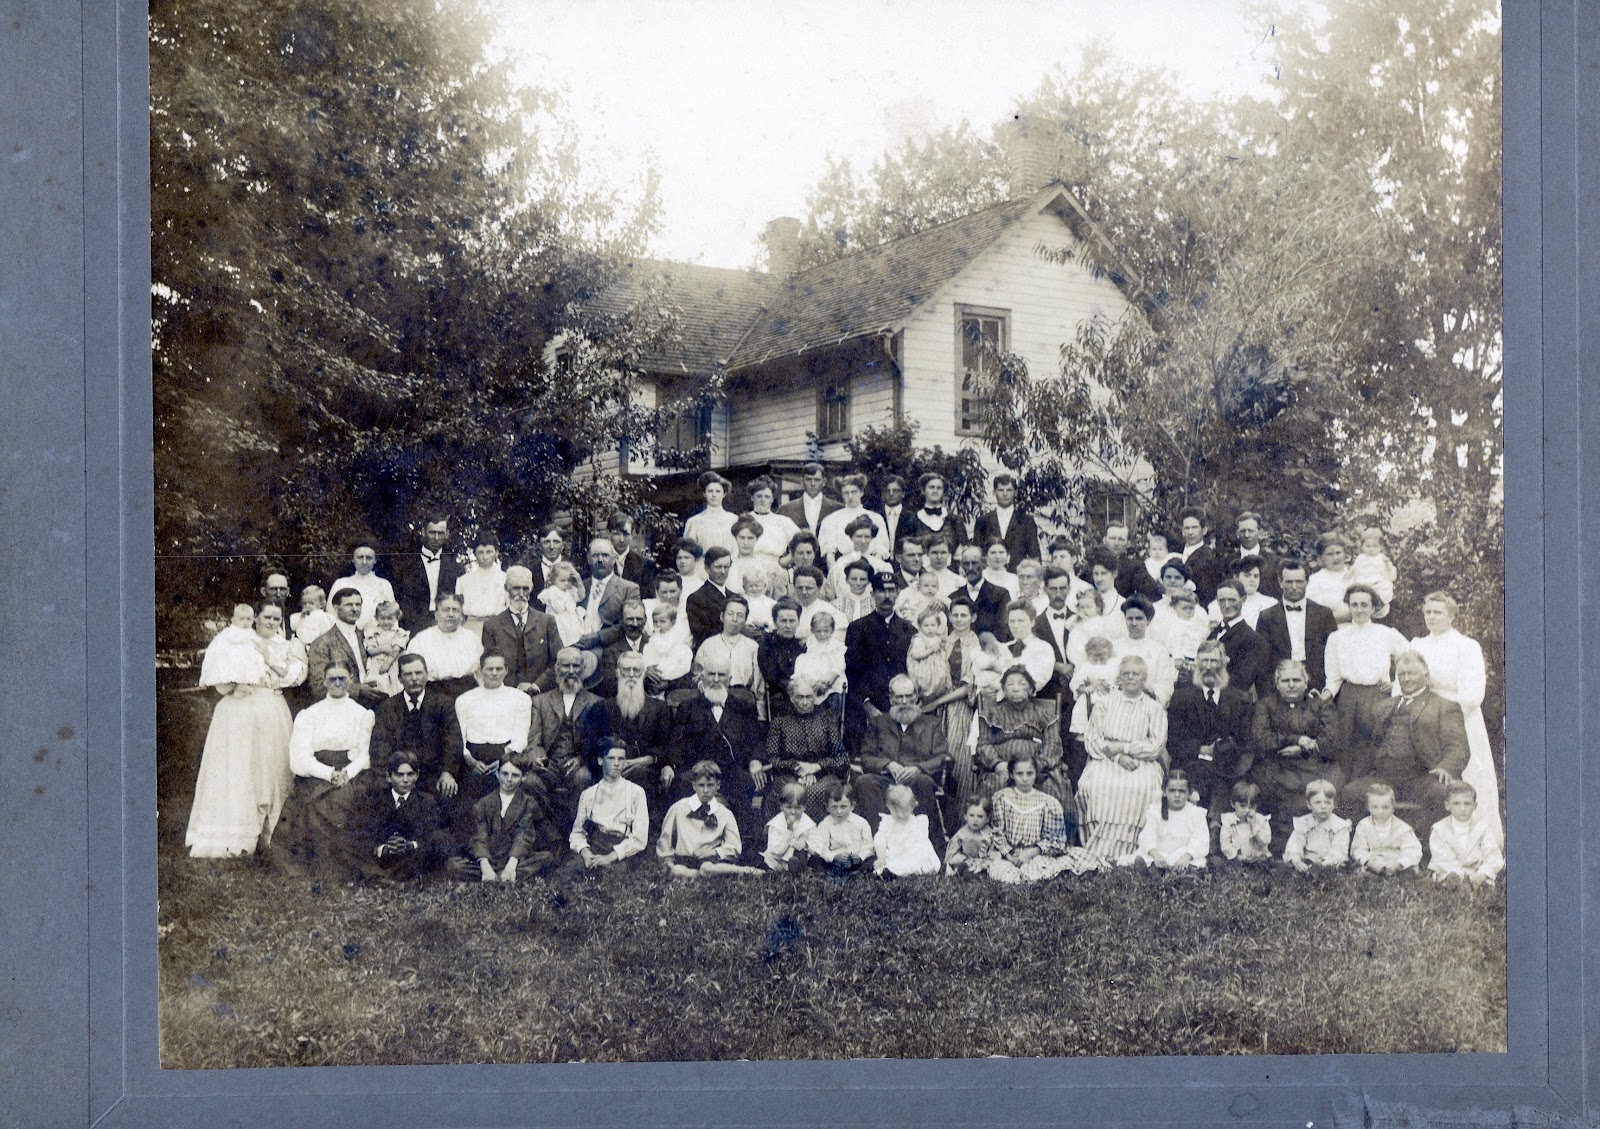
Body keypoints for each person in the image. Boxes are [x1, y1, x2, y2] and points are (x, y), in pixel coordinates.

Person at [185, 603, 300, 858]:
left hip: (273, 708)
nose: (271, 622)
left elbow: (294, 676)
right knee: (239, 767)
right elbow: (218, 671)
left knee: (272, 768)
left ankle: (271, 834)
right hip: (240, 709)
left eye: (276, 618)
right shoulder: (235, 640)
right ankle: (236, 834)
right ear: (255, 618)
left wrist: (271, 660)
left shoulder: (286, 645)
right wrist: (233, 685)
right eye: (266, 617)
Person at [1409, 592, 1501, 843]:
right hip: (1423, 718)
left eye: (1438, 612)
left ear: (1451, 616)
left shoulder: (1466, 646)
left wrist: (1444, 716)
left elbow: (1472, 694)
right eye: (1428, 612)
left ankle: (1477, 838)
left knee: (1467, 773)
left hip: (1460, 718)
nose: (1432, 617)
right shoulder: (1417, 645)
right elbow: (1404, 681)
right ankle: (1431, 839)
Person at [1339, 650, 1469, 827]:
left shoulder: (1444, 706)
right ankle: (1363, 849)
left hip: (1422, 778)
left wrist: (1446, 767)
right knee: (1349, 793)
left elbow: (1458, 747)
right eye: (1401, 674)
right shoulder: (1384, 706)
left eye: (1412, 673)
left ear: (1426, 674)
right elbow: (1368, 745)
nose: (1406, 679)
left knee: (1442, 794)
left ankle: (1430, 851)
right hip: (1384, 777)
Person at [272, 660, 374, 878]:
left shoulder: (362, 713)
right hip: (317, 774)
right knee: (315, 805)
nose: (337, 683)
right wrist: (329, 774)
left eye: (342, 678)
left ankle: (344, 867)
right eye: (332, 679)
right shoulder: (309, 714)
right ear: (324, 682)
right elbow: (300, 757)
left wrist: (345, 774)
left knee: (345, 802)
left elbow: (365, 754)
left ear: (351, 680)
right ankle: (321, 865)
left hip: (350, 773)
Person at [1076, 655, 1167, 866]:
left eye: (1136, 674)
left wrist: (1126, 748)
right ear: (1120, 677)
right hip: (1107, 758)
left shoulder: (1154, 708)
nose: (1130, 678)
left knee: (1143, 787)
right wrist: (1117, 756)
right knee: (1096, 784)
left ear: (1144, 678)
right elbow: (1092, 739)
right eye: (1126, 674)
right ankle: (1098, 850)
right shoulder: (1105, 703)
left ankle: (1135, 849)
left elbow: (1156, 745)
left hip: (1142, 762)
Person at [672, 651, 764, 840]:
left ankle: (739, 845)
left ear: (729, 679)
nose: (715, 679)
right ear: (702, 676)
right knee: (681, 783)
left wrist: (755, 760)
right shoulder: (688, 707)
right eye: (711, 674)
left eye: (721, 675)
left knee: (745, 782)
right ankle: (689, 843)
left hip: (731, 771)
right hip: (696, 772)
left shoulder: (743, 707)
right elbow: (676, 744)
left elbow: (757, 740)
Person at [1324, 583, 1409, 779]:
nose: (1359, 609)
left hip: (1377, 696)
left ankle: (1370, 794)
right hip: (1348, 697)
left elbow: (1412, 660)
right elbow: (1334, 678)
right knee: (1345, 746)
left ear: (1373, 607)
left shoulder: (1386, 633)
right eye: (1354, 605)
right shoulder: (1337, 637)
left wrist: (1396, 684)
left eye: (1364, 604)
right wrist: (1324, 697)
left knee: (1373, 745)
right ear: (1348, 606)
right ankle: (1346, 795)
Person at [856, 675, 949, 845]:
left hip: (917, 778)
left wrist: (919, 768)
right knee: (865, 782)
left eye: (908, 696)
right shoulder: (878, 723)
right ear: (891, 698)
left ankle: (923, 844)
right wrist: (887, 764)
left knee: (924, 781)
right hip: (886, 778)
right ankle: (879, 843)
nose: (904, 701)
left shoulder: (931, 723)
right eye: (899, 697)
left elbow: (942, 756)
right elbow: (866, 756)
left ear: (915, 697)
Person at [974, 666, 1073, 825]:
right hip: (1003, 768)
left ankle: (1052, 838)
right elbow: (984, 744)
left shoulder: (1045, 715)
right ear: (1004, 690)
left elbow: (1052, 745)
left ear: (1032, 690)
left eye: (1022, 684)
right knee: (995, 785)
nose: (1016, 689)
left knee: (1054, 786)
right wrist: (998, 765)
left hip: (1038, 768)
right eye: (1010, 684)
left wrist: (1034, 767)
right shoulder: (991, 714)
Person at [1250, 660, 1345, 824]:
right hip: (1279, 764)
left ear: (1306, 682)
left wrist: (1303, 750)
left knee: (1324, 788)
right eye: (1285, 681)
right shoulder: (1265, 705)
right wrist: (1297, 740)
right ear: (1277, 684)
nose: (1291, 685)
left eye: (1297, 680)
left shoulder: (1321, 704)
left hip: (1315, 764)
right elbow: (1261, 738)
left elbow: (1332, 741)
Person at [1165, 639, 1254, 813]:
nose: (1208, 666)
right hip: (1191, 764)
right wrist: (1202, 749)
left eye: (1214, 661)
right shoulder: (1182, 697)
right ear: (1197, 664)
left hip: (1229, 767)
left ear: (1223, 663)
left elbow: (1245, 741)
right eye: (1204, 661)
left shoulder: (1239, 699)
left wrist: (1223, 750)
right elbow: (1174, 742)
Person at [523, 648, 608, 821]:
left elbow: (598, 741)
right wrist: (538, 758)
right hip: (549, 763)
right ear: (557, 669)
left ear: (583, 669)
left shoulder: (595, 702)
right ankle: (552, 826)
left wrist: (582, 758)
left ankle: (576, 829)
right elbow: (534, 739)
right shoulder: (540, 701)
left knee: (584, 777)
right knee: (529, 781)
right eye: (566, 666)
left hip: (578, 763)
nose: (570, 671)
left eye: (575, 666)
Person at [369, 653, 463, 804]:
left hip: (434, 777)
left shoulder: (443, 704)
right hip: (400, 778)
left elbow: (453, 741)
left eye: (418, 673)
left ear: (427, 675)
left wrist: (447, 772)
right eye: (408, 674)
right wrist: (393, 779)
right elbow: (380, 747)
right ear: (400, 678)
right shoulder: (387, 708)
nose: (414, 678)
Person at [447, 761, 555, 883]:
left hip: (514, 859)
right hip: (489, 858)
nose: (508, 779)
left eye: (515, 775)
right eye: (504, 774)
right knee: (454, 865)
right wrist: (485, 866)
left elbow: (523, 836)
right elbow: (479, 837)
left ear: (523, 777)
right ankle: (496, 876)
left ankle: (503, 876)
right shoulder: (484, 803)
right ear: (497, 774)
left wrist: (510, 867)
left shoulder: (528, 803)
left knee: (546, 858)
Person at [352, 753, 452, 884]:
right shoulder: (376, 800)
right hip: (383, 857)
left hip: (411, 857)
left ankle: (384, 878)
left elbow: (432, 835)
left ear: (417, 775)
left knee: (435, 844)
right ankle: (385, 877)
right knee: (353, 846)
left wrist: (410, 845)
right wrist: (384, 848)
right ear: (388, 777)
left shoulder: (426, 801)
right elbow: (365, 834)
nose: (405, 780)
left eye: (410, 774)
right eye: (399, 775)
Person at [759, 678, 849, 822]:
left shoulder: (827, 720)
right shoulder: (780, 722)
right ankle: (790, 836)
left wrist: (816, 767)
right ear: (792, 698)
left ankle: (817, 837)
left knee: (816, 791)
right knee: (795, 791)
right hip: (789, 775)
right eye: (800, 697)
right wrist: (800, 768)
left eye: (809, 697)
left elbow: (842, 758)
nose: (805, 702)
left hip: (824, 775)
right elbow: (773, 758)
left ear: (815, 696)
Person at [452, 652, 533, 807]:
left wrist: (503, 760)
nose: (494, 673)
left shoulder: (520, 698)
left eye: (499, 669)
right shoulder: (464, 699)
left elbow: (521, 738)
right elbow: (459, 737)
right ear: (481, 671)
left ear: (506, 670)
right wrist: (470, 760)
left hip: (506, 755)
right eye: (489, 669)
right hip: (473, 757)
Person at [657, 760, 762, 875]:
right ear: (693, 785)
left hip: (710, 860)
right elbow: (665, 840)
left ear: (718, 785)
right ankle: (697, 875)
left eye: (710, 785)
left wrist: (714, 852)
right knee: (677, 870)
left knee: (707, 868)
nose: (705, 791)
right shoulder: (679, 808)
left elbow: (734, 847)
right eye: (701, 785)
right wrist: (667, 860)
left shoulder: (724, 813)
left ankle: (745, 870)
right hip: (683, 860)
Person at [985, 752, 1076, 883]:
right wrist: (1008, 854)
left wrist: (1031, 853)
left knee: (1040, 869)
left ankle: (1030, 875)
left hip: (1035, 854)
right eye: (1019, 774)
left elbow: (1055, 839)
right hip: (1010, 854)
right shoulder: (1001, 798)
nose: (1025, 779)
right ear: (1011, 774)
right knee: (1001, 870)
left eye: (1029, 773)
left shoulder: (1048, 802)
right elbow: (997, 832)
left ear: (1035, 774)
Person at [1255, 561, 1338, 695]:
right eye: (1288, 582)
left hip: (1316, 687)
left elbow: (1333, 656)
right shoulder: (1267, 617)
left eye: (1299, 581)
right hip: (1279, 688)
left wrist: (1326, 690)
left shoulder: (1323, 614)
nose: (1294, 587)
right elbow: (1262, 662)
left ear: (1307, 582)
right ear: (1280, 582)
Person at [603, 652, 674, 803]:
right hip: (611, 770)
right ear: (618, 673)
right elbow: (596, 743)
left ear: (643, 674)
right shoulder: (605, 707)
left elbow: (666, 746)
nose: (631, 675)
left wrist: (644, 760)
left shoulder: (659, 708)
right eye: (626, 670)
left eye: (636, 670)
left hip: (646, 771)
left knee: (640, 776)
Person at [481, 566, 563, 695]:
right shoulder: (492, 626)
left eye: (525, 589)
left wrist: (536, 685)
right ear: (506, 588)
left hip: (541, 694)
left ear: (531, 590)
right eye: (516, 588)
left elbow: (559, 661)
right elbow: (490, 665)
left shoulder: (547, 621)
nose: (521, 594)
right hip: (505, 695)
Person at [568, 746, 651, 871]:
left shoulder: (636, 792)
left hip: (623, 849)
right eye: (611, 758)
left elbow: (639, 838)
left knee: (616, 873)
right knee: (574, 870)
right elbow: (577, 833)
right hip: (595, 844)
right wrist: (586, 853)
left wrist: (609, 857)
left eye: (621, 759)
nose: (616, 764)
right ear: (601, 760)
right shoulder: (588, 794)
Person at [844, 569, 913, 714]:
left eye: (891, 591)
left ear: (898, 593)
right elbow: (852, 672)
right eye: (881, 591)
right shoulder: (858, 628)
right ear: (872, 594)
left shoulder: (908, 629)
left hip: (901, 705)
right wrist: (866, 704)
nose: (887, 596)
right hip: (868, 706)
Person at [306, 587, 388, 705]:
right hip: (341, 707)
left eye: (358, 604)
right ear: (335, 608)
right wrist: (358, 690)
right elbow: (319, 685)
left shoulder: (369, 636)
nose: (355, 609)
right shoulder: (322, 643)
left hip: (376, 703)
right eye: (349, 605)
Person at [389, 515, 465, 632]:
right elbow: (399, 598)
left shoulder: (456, 568)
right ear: (423, 532)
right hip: (413, 625)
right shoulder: (405, 566)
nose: (436, 538)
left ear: (447, 534)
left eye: (440, 533)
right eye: (432, 533)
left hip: (445, 624)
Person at [403, 592, 483, 700]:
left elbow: (481, 672)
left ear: (461, 615)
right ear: (436, 614)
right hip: (435, 694)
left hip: (468, 692)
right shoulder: (421, 640)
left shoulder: (472, 638)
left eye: (455, 610)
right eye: (446, 610)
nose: (451, 614)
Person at [1124, 769, 1209, 870]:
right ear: (1164, 791)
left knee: (1195, 864)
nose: (1177, 795)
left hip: (1183, 854)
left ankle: (1184, 875)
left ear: (1189, 793)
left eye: (1182, 791)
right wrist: (1156, 855)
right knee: (1147, 859)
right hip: (1159, 853)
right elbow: (1147, 835)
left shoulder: (1196, 813)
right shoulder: (1156, 811)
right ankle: (1151, 872)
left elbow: (1201, 839)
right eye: (1172, 790)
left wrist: (1186, 857)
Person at [1427, 781, 1504, 887]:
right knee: (1445, 874)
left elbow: (1492, 855)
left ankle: (1479, 882)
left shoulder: (1482, 828)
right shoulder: (1440, 829)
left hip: (1477, 870)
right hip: (1449, 869)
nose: (1462, 809)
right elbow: (1442, 857)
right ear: (1447, 805)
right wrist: (1457, 874)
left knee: (1486, 878)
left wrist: (1482, 873)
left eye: (1467, 803)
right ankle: (1454, 882)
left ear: (1475, 806)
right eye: (1456, 804)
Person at [1207, 581, 1273, 700]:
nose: (1227, 605)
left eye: (1232, 600)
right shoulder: (1213, 633)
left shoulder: (1253, 640)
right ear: (1217, 601)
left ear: (1243, 600)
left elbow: (1242, 681)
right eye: (1222, 600)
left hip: (1232, 703)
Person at [1114, 595, 1179, 706]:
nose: (1134, 623)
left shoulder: (1159, 650)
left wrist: (1147, 690)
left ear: (1148, 621)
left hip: (1147, 706)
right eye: (1130, 618)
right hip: (1117, 704)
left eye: (1139, 618)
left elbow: (1165, 685)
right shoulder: (1115, 647)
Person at [695, 595, 764, 698]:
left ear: (745, 620)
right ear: (722, 617)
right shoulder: (708, 644)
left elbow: (758, 684)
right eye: (730, 614)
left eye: (740, 615)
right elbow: (698, 675)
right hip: (712, 695)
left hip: (742, 698)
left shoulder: (753, 647)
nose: (734, 619)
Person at [805, 781, 876, 877]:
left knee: (873, 859)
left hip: (856, 862)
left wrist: (860, 856)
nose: (839, 811)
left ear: (852, 806)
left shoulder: (861, 823)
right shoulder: (825, 824)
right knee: (815, 859)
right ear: (827, 808)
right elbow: (822, 848)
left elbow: (868, 846)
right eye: (834, 807)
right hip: (835, 863)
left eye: (843, 807)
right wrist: (833, 857)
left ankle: (859, 873)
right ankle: (824, 875)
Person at [1350, 782, 1423, 875]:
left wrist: (1399, 864)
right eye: (1375, 807)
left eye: (1385, 807)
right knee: (1363, 871)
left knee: (1410, 870)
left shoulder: (1402, 828)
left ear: (1393, 807)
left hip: (1396, 862)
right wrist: (1369, 862)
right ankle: (1371, 875)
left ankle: (1399, 874)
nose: (1380, 812)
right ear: (1368, 807)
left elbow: (1412, 849)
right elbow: (1358, 849)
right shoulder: (1364, 825)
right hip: (1374, 862)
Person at [872, 783, 941, 877]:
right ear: (888, 806)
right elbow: (880, 839)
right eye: (896, 811)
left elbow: (922, 844)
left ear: (913, 806)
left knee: (921, 857)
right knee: (890, 862)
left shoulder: (917, 822)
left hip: (912, 853)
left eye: (905, 811)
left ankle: (895, 871)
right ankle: (890, 871)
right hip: (894, 854)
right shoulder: (887, 822)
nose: (900, 815)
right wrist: (881, 856)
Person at [817, 473, 889, 562]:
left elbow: (880, 549)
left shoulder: (876, 518)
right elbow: (829, 553)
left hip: (870, 563)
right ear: (841, 495)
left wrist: (875, 568)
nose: (850, 496)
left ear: (861, 493)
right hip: (844, 565)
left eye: (854, 492)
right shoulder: (831, 519)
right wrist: (835, 573)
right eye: (846, 493)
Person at [1283, 779, 1352, 871]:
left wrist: (1324, 864)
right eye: (1317, 802)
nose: (1323, 807)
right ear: (1309, 805)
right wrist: (1296, 861)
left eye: (1328, 802)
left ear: (1334, 804)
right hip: (1308, 861)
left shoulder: (1339, 826)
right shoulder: (1304, 823)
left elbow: (1339, 851)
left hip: (1332, 864)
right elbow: (1295, 845)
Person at [973, 472, 1042, 564]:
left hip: (1018, 575)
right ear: (994, 492)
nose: (1005, 494)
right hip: (991, 574)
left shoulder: (1026, 521)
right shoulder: (983, 521)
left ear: (1015, 492)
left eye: (1009, 490)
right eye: (1001, 490)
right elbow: (977, 554)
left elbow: (1034, 555)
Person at [452, 533, 508, 642]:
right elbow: (458, 611)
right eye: (481, 552)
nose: (485, 557)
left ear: (496, 552)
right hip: (470, 629)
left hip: (497, 628)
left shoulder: (505, 579)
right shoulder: (463, 580)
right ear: (475, 554)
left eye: (489, 552)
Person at [330, 543, 395, 632]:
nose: (364, 562)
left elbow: (393, 617)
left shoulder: (384, 585)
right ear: (353, 559)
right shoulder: (341, 583)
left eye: (369, 558)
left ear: (375, 560)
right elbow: (331, 616)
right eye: (360, 557)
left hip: (376, 639)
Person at [823, 515, 890, 601]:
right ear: (851, 537)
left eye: (867, 537)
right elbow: (832, 594)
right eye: (859, 536)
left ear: (872, 538)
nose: (863, 541)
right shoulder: (840, 565)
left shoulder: (881, 567)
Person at [757, 599, 807, 713]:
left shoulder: (802, 646)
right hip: (778, 697)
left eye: (792, 621)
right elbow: (771, 675)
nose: (788, 626)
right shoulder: (767, 643)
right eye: (783, 621)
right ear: (775, 622)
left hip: (802, 695)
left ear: (798, 622)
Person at [953, 544, 1011, 640]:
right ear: (962, 566)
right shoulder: (955, 596)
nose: (970, 568)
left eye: (975, 563)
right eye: (966, 563)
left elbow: (1003, 630)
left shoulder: (1001, 594)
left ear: (984, 563)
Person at [1208, 556, 1278, 630]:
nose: (1252, 580)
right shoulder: (1217, 604)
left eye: (1256, 576)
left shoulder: (1270, 603)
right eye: (1247, 576)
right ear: (1236, 577)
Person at [685, 547, 735, 651]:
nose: (723, 572)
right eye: (718, 567)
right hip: (711, 652)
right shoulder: (696, 598)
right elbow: (702, 634)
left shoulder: (734, 597)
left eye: (726, 567)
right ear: (707, 568)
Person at [746, 475, 801, 568]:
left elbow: (802, 542)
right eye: (759, 496)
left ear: (772, 499)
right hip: (748, 566)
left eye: (767, 497)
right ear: (752, 497)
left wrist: (786, 560)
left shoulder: (783, 521)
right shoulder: (743, 520)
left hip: (776, 568)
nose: (763, 500)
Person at [761, 780, 816, 871]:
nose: (793, 812)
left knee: (803, 853)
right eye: (789, 807)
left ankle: (797, 867)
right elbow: (774, 851)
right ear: (781, 806)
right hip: (778, 859)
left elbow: (816, 843)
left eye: (798, 808)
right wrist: (788, 832)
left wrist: (805, 844)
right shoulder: (776, 824)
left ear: (805, 807)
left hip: (800, 858)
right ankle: (780, 868)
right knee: (765, 859)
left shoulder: (808, 823)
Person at [682, 470, 739, 557]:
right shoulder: (694, 522)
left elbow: (737, 549)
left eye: (718, 491)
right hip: (702, 567)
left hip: (728, 567)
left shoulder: (734, 520)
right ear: (704, 493)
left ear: (724, 494)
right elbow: (688, 552)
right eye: (710, 491)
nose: (714, 495)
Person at [1101, 521, 1161, 601]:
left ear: (1128, 543)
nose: (1116, 543)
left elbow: (1153, 595)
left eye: (1121, 539)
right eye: (1112, 538)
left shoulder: (1135, 568)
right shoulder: (1092, 565)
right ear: (1104, 540)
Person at [777, 461, 841, 537]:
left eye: (817, 480)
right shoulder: (786, 510)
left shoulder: (837, 509)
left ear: (824, 482)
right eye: (808, 479)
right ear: (801, 481)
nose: (813, 483)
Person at [793, 609, 846, 701]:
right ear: (812, 630)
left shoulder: (836, 645)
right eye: (818, 631)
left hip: (830, 679)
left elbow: (839, 665)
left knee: (832, 696)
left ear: (832, 630)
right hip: (812, 679)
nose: (822, 634)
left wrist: (830, 678)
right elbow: (805, 661)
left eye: (826, 631)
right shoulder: (810, 643)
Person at [361, 600, 409, 697]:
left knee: (394, 687)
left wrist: (387, 664)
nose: (386, 622)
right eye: (382, 618)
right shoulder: (373, 633)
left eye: (390, 618)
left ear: (397, 618)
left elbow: (396, 651)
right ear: (376, 618)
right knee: (377, 687)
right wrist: (382, 649)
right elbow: (370, 651)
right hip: (376, 665)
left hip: (393, 663)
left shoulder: (399, 633)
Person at [641, 605, 694, 694]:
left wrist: (667, 677)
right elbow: (648, 659)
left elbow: (682, 666)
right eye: (655, 622)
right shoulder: (652, 642)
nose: (658, 625)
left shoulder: (677, 642)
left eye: (662, 622)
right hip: (653, 679)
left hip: (672, 681)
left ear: (673, 622)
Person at [1174, 507, 1222, 604]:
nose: (1190, 532)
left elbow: (1208, 594)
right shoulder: (1175, 552)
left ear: (1204, 530)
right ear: (1182, 531)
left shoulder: (1208, 558)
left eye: (1194, 527)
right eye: (1187, 528)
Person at [1349, 527, 1398, 619]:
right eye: (1368, 546)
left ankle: (1377, 605)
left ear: (1381, 547)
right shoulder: (1360, 558)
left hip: (1378, 583)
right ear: (1362, 546)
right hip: (1363, 582)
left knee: (1384, 588)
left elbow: (1392, 576)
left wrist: (1388, 566)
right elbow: (1354, 570)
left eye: (1375, 546)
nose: (1371, 549)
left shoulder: (1382, 558)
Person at [536, 561, 588, 649]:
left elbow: (582, 596)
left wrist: (579, 581)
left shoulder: (571, 590)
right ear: (553, 580)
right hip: (558, 622)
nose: (566, 583)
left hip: (571, 622)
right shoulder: (552, 591)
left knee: (574, 641)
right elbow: (559, 608)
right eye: (562, 580)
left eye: (569, 580)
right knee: (560, 642)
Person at [1305, 532, 1355, 623]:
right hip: (1329, 628)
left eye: (1338, 553)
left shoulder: (1355, 574)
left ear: (1345, 554)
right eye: (1329, 554)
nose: (1335, 558)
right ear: (1321, 558)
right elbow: (1312, 612)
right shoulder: (1316, 579)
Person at [1218, 781, 1273, 863]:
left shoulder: (1260, 820)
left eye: (1251, 806)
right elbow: (1225, 845)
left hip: (1259, 860)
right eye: (1243, 806)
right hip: (1238, 860)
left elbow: (1266, 840)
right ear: (1233, 804)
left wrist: (1254, 827)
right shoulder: (1229, 821)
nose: (1247, 810)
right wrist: (1236, 855)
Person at [520, 523, 570, 613]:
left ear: (563, 545)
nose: (551, 547)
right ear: (540, 546)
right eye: (547, 542)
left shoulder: (571, 571)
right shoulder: (530, 573)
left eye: (556, 542)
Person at [606, 511, 658, 598]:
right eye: (616, 534)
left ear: (632, 534)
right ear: (609, 534)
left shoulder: (645, 565)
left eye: (626, 534)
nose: (621, 539)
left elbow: (649, 598)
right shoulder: (600, 562)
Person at [943, 797, 999, 877]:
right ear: (965, 816)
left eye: (980, 816)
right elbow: (953, 848)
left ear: (987, 819)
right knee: (958, 861)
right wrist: (953, 858)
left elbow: (994, 850)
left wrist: (990, 859)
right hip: (966, 859)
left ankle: (976, 873)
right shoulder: (963, 832)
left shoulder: (989, 834)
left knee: (990, 866)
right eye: (971, 815)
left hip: (983, 860)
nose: (975, 819)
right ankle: (964, 871)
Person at [1231, 512, 1281, 598]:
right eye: (1243, 531)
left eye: (1250, 531)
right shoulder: (1227, 561)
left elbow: (1278, 593)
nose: (1246, 535)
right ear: (1237, 533)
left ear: (1259, 532)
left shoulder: (1274, 561)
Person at [908, 472, 957, 550]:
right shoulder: (913, 520)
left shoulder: (954, 519)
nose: (935, 491)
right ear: (923, 491)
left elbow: (962, 549)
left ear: (943, 492)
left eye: (939, 488)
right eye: (931, 487)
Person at [875, 475, 911, 553]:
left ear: (903, 493)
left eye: (896, 490)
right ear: (882, 494)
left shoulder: (911, 517)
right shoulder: (875, 516)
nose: (891, 494)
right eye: (887, 491)